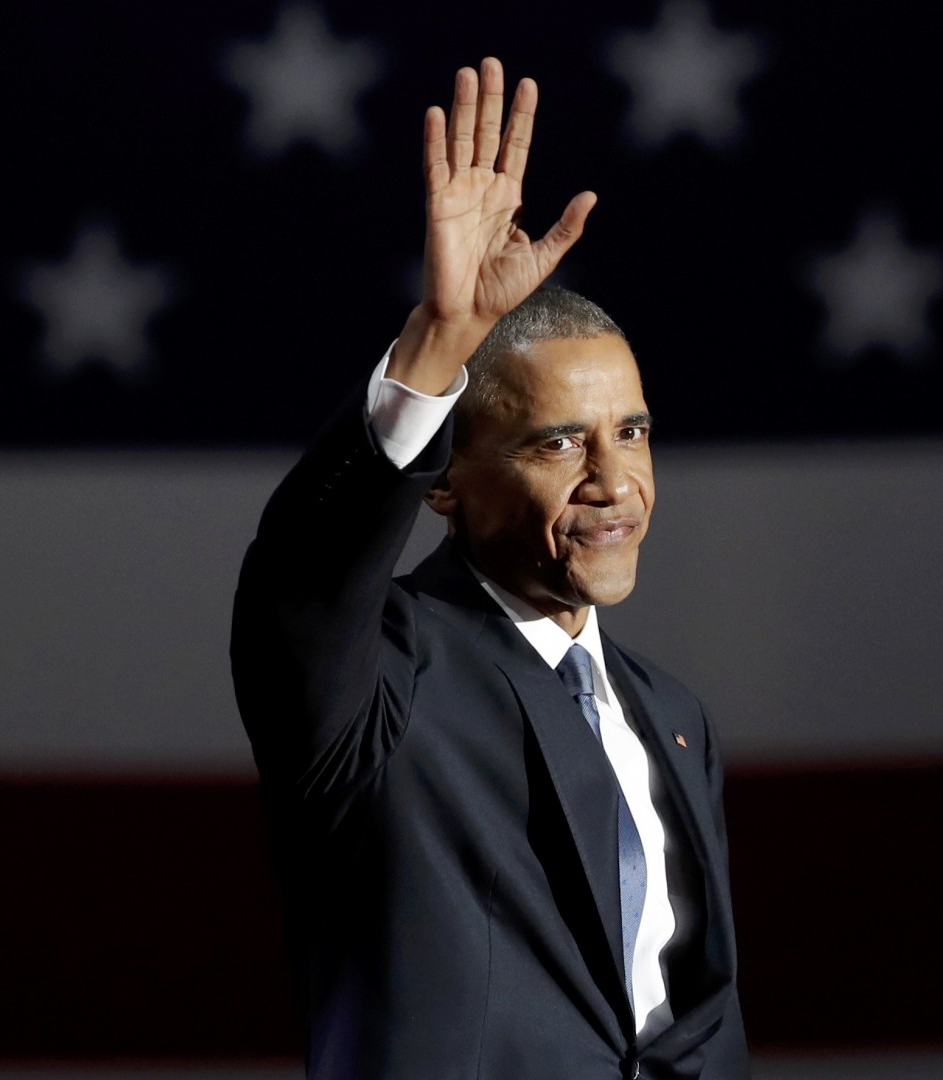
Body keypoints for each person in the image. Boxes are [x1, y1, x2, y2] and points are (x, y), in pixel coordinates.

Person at [230, 57, 748, 1079]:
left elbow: (685, 1022)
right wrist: (440, 339)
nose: (614, 481)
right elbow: (304, 573)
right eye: (558, 443)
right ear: (443, 483)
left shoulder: (673, 717)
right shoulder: (378, 679)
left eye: (632, 433)